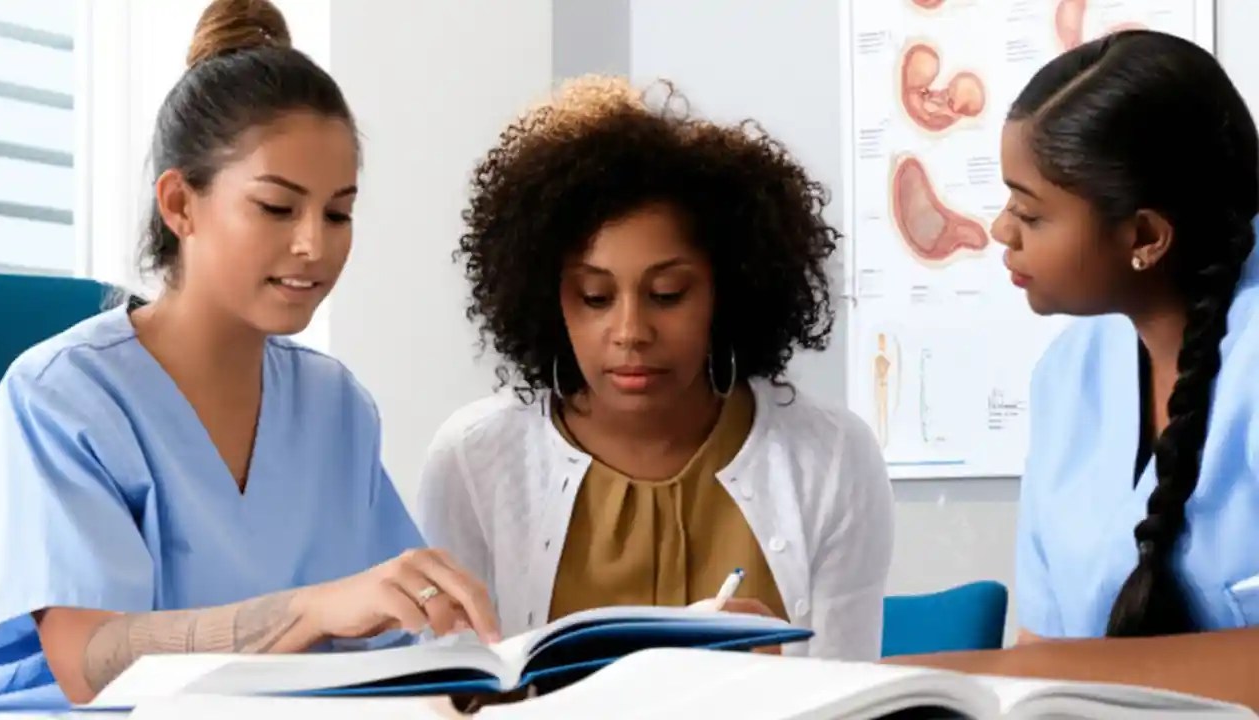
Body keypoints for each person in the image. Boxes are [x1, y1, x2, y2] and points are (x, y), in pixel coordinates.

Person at [0, 0, 496, 709]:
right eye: (278, 208)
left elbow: (393, 644)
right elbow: (88, 662)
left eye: (339, 212)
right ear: (179, 205)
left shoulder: (336, 406)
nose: (315, 245)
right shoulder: (59, 398)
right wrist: (313, 611)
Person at [418, 76, 895, 661]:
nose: (630, 332)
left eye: (667, 294)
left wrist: (770, 689)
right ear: (547, 298)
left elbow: (844, 699)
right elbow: (453, 690)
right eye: (595, 297)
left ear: (729, 288)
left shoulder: (831, 458)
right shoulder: (474, 459)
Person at [887, 30, 1259, 710]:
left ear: (1144, 236)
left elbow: (1045, 668)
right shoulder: (1066, 380)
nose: (1002, 230)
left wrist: (964, 673)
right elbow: (1045, 652)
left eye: (1030, 211)